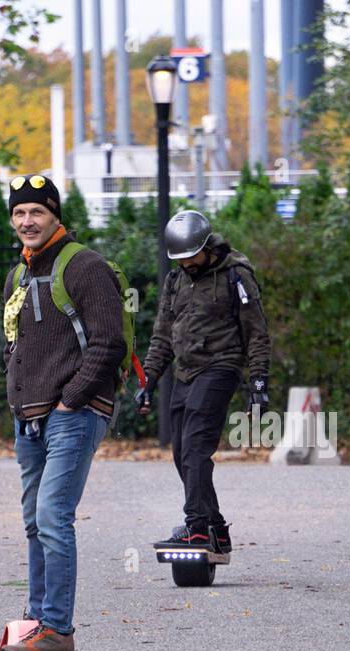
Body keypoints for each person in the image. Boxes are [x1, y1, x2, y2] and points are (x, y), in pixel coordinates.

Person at [0, 174, 125, 651]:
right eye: (19, 213)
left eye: (37, 212)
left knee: (52, 516)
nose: (27, 221)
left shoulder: (85, 266)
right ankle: (35, 620)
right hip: (27, 416)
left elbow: (111, 342)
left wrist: (72, 398)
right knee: (33, 520)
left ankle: (57, 629)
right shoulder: (19, 274)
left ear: (55, 216)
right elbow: (14, 342)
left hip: (73, 412)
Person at [136, 210, 271, 553]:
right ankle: (215, 527)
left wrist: (258, 384)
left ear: (206, 247)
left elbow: (256, 333)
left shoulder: (235, 275)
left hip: (221, 366)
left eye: (191, 256)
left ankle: (196, 528)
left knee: (196, 446)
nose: (186, 264)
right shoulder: (176, 280)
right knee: (182, 453)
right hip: (186, 370)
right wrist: (149, 380)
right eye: (179, 259)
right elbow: (163, 335)